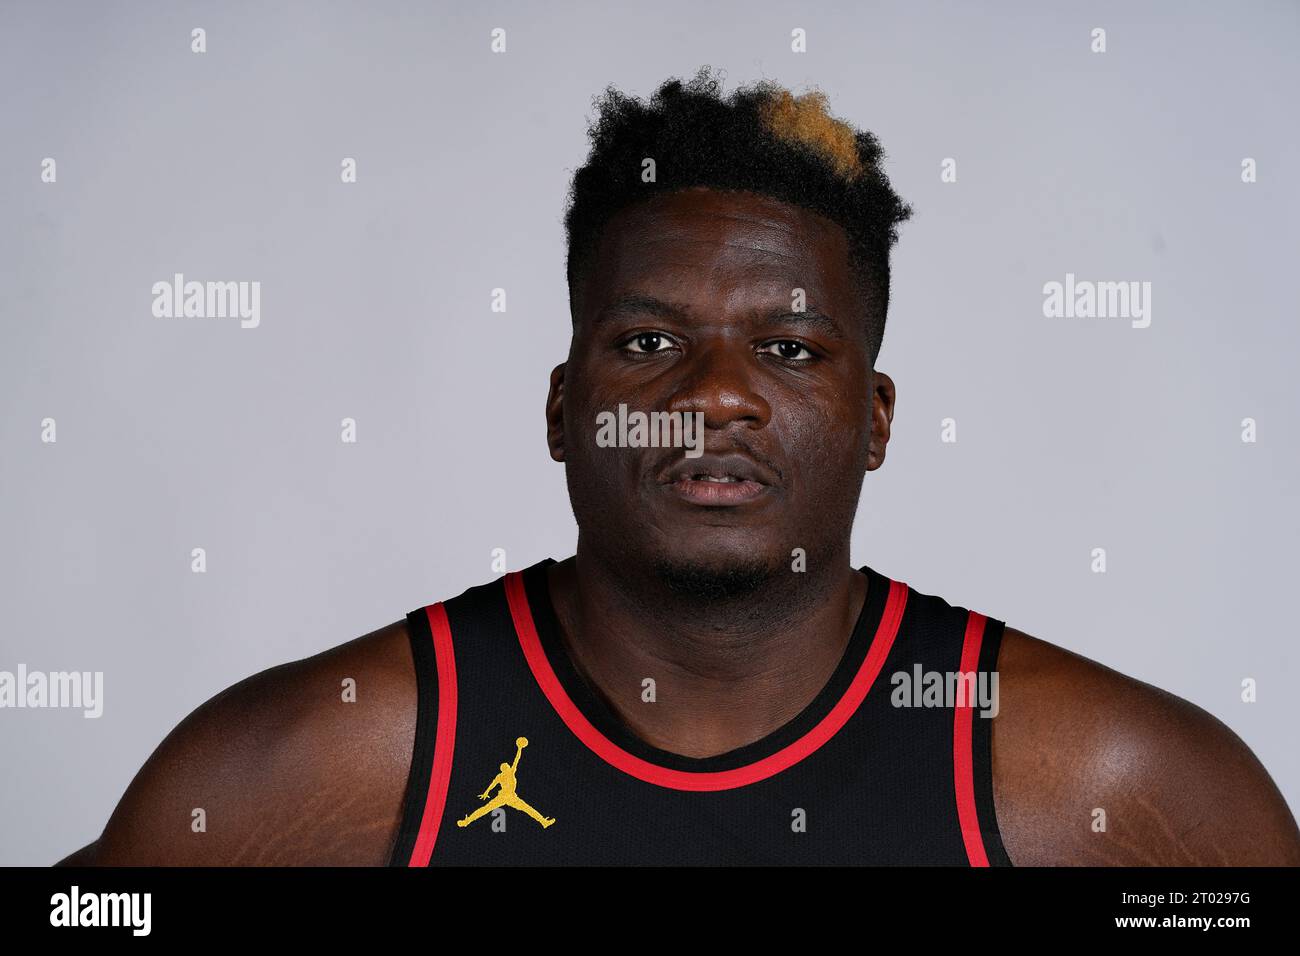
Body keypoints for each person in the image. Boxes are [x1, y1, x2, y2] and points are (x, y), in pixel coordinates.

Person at [58, 69, 1300, 867]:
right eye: (648, 342)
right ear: (563, 407)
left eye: (787, 345)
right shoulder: (325, 765)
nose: (711, 395)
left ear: (873, 417)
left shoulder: (1105, 789)